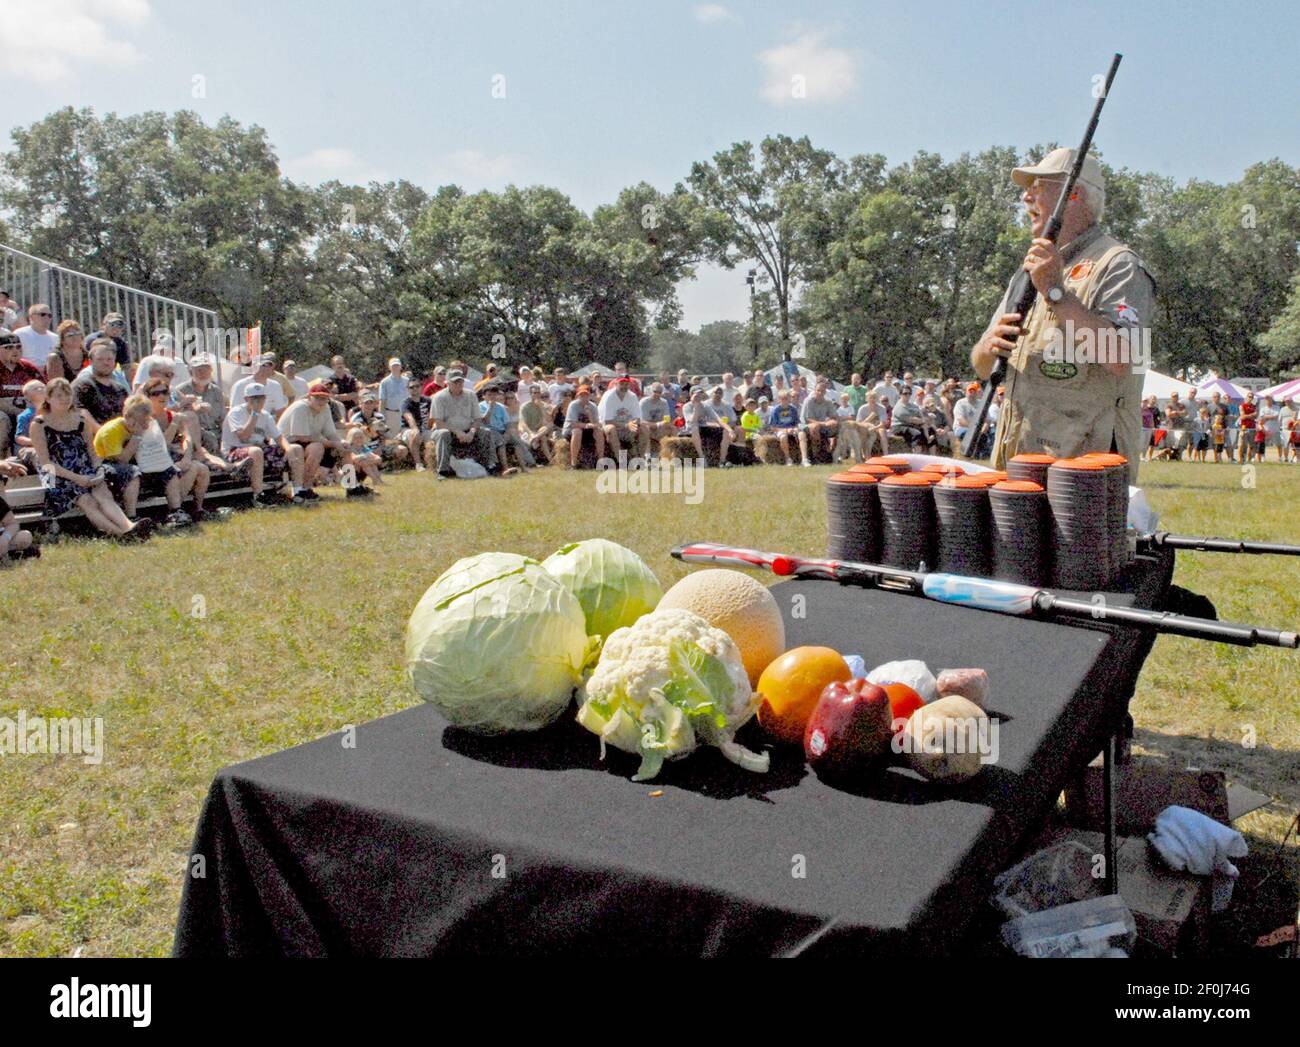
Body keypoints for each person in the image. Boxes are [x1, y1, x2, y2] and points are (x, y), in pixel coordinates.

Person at [971, 148, 1154, 484]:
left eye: (1038, 185)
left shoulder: (1120, 266)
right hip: (1018, 471)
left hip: (1084, 483)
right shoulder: (1026, 273)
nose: (1026, 196)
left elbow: (1123, 359)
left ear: (1074, 194)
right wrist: (987, 347)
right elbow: (982, 366)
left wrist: (1056, 292)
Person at [30, 378, 151, 540]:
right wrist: (78, 478)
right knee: (87, 501)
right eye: (59, 395)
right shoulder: (39, 424)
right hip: (57, 474)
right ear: (48, 398)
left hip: (84, 468)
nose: (64, 399)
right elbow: (46, 463)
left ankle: (129, 526)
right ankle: (121, 534)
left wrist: (98, 469)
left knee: (103, 494)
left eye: (67, 395)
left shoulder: (81, 419)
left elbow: (92, 452)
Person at [221, 383, 308, 506]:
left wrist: (288, 449)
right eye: (254, 398)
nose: (258, 401)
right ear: (247, 399)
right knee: (256, 451)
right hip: (234, 450)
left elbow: (278, 437)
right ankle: (258, 496)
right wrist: (254, 414)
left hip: (259, 450)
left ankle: (298, 492)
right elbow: (243, 437)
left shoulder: (266, 415)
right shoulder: (236, 413)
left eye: (261, 398)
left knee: (296, 448)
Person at [141, 379, 211, 524]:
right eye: (156, 393)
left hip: (171, 459)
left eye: (165, 392)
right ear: (148, 397)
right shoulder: (145, 418)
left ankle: (197, 509)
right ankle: (173, 511)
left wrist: (187, 456)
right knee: (195, 468)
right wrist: (174, 423)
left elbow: (187, 437)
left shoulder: (171, 414)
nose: (162, 396)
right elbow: (161, 445)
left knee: (201, 468)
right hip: (153, 463)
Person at [279, 381, 357, 498]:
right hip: (287, 445)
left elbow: (330, 433)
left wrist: (341, 442)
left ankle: (351, 486)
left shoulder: (326, 409)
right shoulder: (300, 408)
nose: (321, 401)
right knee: (317, 448)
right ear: (310, 397)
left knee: (345, 449)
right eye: (318, 398)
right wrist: (333, 444)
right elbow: (303, 437)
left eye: (324, 398)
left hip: (310, 442)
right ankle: (304, 489)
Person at [88, 394, 152, 520]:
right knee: (132, 472)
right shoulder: (112, 431)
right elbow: (122, 460)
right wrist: (137, 436)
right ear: (128, 417)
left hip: (129, 461)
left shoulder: (145, 427)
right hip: (103, 464)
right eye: (141, 421)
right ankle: (131, 516)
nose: (145, 426)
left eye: (146, 421)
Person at [429, 370, 494, 479]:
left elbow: (477, 418)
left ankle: (488, 466)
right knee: (443, 434)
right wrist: (457, 431)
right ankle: (442, 471)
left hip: (468, 430)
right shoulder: (439, 397)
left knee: (485, 433)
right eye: (455, 382)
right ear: (448, 383)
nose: (459, 384)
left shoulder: (471, 395)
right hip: (446, 430)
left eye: (460, 381)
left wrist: (471, 433)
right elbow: (438, 422)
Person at [174, 353, 228, 462]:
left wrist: (228, 434)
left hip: (215, 429)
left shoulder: (216, 391)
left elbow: (222, 418)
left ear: (211, 371)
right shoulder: (181, 390)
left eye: (206, 369)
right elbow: (177, 416)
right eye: (198, 370)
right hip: (194, 433)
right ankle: (219, 467)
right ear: (190, 372)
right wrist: (194, 410)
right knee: (210, 438)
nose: (203, 373)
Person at [0, 331, 44, 457]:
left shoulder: (28, 367)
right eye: (8, 347)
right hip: (4, 412)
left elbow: (45, 390)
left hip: (28, 411)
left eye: (18, 347)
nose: (15, 350)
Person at [71, 339, 130, 426]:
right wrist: (103, 434)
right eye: (100, 359)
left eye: (109, 359)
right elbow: (80, 412)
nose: (105, 363)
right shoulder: (82, 386)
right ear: (91, 361)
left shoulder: (120, 389)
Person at [681, 388, 732, 467]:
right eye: (697, 394)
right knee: (695, 427)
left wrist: (730, 430)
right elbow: (692, 421)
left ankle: (722, 461)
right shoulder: (686, 406)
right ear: (691, 395)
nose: (699, 396)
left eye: (700, 394)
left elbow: (718, 419)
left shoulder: (705, 405)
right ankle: (702, 458)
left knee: (725, 430)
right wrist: (696, 407)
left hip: (703, 428)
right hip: (691, 430)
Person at [599, 377, 644, 457]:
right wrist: (626, 425)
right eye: (621, 384)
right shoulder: (609, 396)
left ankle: (643, 458)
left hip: (628, 426)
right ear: (616, 384)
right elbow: (608, 421)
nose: (624, 386)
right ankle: (621, 460)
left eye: (626, 384)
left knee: (644, 428)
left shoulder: (632, 396)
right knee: (612, 428)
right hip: (605, 426)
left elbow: (638, 418)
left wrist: (632, 424)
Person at [562, 384, 606, 467]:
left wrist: (589, 414)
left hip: (587, 429)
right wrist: (586, 425)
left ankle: (601, 461)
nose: (584, 397)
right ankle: (573, 463)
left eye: (586, 395)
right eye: (581, 395)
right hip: (570, 430)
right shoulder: (573, 405)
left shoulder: (593, 406)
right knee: (577, 431)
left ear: (589, 396)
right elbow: (572, 423)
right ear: (578, 396)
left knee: (599, 432)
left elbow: (596, 424)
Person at [84, 313, 135, 383]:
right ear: (104, 325)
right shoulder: (92, 340)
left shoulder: (121, 344)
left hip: (109, 375)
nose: (116, 328)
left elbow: (126, 368)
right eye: (112, 324)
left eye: (120, 325)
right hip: (90, 373)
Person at [799, 381, 838, 464]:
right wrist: (824, 424)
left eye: (822, 391)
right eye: (818, 390)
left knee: (838, 426)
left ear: (825, 392)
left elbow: (834, 417)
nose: (820, 393)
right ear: (814, 390)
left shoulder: (828, 402)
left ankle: (834, 454)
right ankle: (816, 456)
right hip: (805, 425)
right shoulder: (808, 401)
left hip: (821, 425)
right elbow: (808, 419)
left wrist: (832, 422)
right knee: (815, 427)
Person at [12, 379, 46, 474]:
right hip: (27, 448)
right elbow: (19, 438)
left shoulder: (54, 412)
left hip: (49, 445)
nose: (40, 389)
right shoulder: (25, 416)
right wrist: (35, 442)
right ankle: (49, 481)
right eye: (36, 388)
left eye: (42, 386)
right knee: (39, 454)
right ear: (28, 397)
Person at [891, 386, 936, 453]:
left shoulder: (913, 405)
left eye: (909, 393)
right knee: (916, 433)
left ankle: (933, 456)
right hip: (899, 426)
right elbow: (912, 420)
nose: (907, 395)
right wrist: (924, 420)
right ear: (900, 394)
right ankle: (916, 455)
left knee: (930, 431)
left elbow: (920, 416)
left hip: (911, 425)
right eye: (905, 393)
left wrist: (925, 421)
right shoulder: (899, 407)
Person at [767, 388, 804, 466]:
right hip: (780, 430)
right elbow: (773, 428)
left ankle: (804, 459)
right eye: (782, 399)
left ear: (789, 399)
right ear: (779, 399)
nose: (785, 401)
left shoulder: (793, 409)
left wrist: (795, 429)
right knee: (783, 437)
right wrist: (786, 430)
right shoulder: (775, 410)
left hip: (792, 429)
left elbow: (797, 423)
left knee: (802, 434)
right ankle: (788, 459)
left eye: (786, 398)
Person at [15, 304, 58, 370]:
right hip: (27, 374)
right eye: (42, 314)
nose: (47, 318)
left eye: (49, 316)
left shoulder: (55, 338)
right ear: (32, 317)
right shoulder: (19, 334)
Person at [639, 383, 676, 460]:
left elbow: (667, 419)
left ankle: (672, 454)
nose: (657, 394)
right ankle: (647, 456)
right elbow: (642, 421)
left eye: (659, 392)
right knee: (645, 427)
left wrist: (660, 424)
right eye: (655, 391)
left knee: (673, 429)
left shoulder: (664, 402)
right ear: (650, 391)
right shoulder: (644, 402)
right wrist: (657, 424)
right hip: (647, 427)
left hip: (659, 426)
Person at [855, 391, 890, 458]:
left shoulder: (881, 408)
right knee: (863, 434)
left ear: (876, 399)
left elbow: (883, 423)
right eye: (870, 398)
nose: (872, 399)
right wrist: (870, 418)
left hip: (878, 427)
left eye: (874, 398)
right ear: (866, 399)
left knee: (882, 432)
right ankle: (865, 455)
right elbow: (859, 424)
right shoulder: (862, 408)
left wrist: (874, 428)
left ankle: (886, 454)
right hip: (865, 427)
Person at [378, 357, 409, 433]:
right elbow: (382, 401)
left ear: (401, 367)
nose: (395, 368)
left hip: (406, 414)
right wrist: (381, 418)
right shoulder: (384, 382)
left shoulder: (407, 381)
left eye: (397, 365)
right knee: (393, 439)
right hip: (391, 414)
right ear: (389, 367)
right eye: (393, 366)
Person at [833, 392, 862, 463]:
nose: (844, 400)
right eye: (843, 399)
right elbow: (838, 418)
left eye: (846, 399)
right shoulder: (839, 409)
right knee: (842, 443)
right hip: (842, 428)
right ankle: (839, 457)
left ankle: (856, 458)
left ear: (848, 400)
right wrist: (846, 418)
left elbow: (851, 417)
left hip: (850, 427)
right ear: (841, 400)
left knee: (853, 442)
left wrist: (843, 417)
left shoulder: (851, 407)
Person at [1164, 393, 1187, 460]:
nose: (1175, 397)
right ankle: (1171, 457)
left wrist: (1175, 412)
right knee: (1171, 443)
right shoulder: (1168, 405)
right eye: (1173, 396)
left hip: (1180, 426)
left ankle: (1179, 457)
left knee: (1180, 443)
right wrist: (1179, 413)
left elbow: (1185, 414)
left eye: (1176, 396)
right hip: (1171, 427)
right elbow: (1168, 414)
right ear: (1171, 397)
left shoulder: (1181, 405)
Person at [1237, 391, 1258, 463]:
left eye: (1252, 397)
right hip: (1244, 428)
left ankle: (1248, 459)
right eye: (1249, 396)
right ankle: (1240, 459)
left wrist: (1248, 416)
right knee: (1241, 444)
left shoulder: (1254, 406)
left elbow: (1256, 416)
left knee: (1251, 445)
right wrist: (1252, 415)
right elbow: (1242, 417)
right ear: (1246, 397)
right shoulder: (1242, 406)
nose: (1250, 398)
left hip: (1252, 427)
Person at [1259, 396, 1281, 462]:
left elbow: (1277, 416)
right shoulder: (1263, 408)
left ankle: (1280, 457)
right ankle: (1263, 457)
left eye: (1269, 399)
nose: (1268, 401)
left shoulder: (1277, 407)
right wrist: (1271, 417)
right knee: (1263, 444)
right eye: (1266, 399)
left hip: (1275, 428)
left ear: (1272, 400)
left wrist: (1266, 417)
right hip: (1265, 429)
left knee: (1278, 444)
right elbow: (1262, 417)